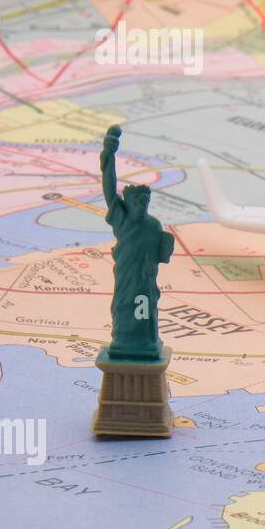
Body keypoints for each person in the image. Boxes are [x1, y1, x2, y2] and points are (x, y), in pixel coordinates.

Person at [100, 125, 174, 361]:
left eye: (144, 202)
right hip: (125, 279)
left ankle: (144, 341)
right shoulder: (122, 219)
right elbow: (110, 191)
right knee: (123, 311)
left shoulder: (153, 226)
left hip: (144, 284)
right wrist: (109, 157)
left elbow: (162, 254)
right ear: (128, 203)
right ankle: (124, 340)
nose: (141, 207)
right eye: (136, 202)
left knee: (143, 313)